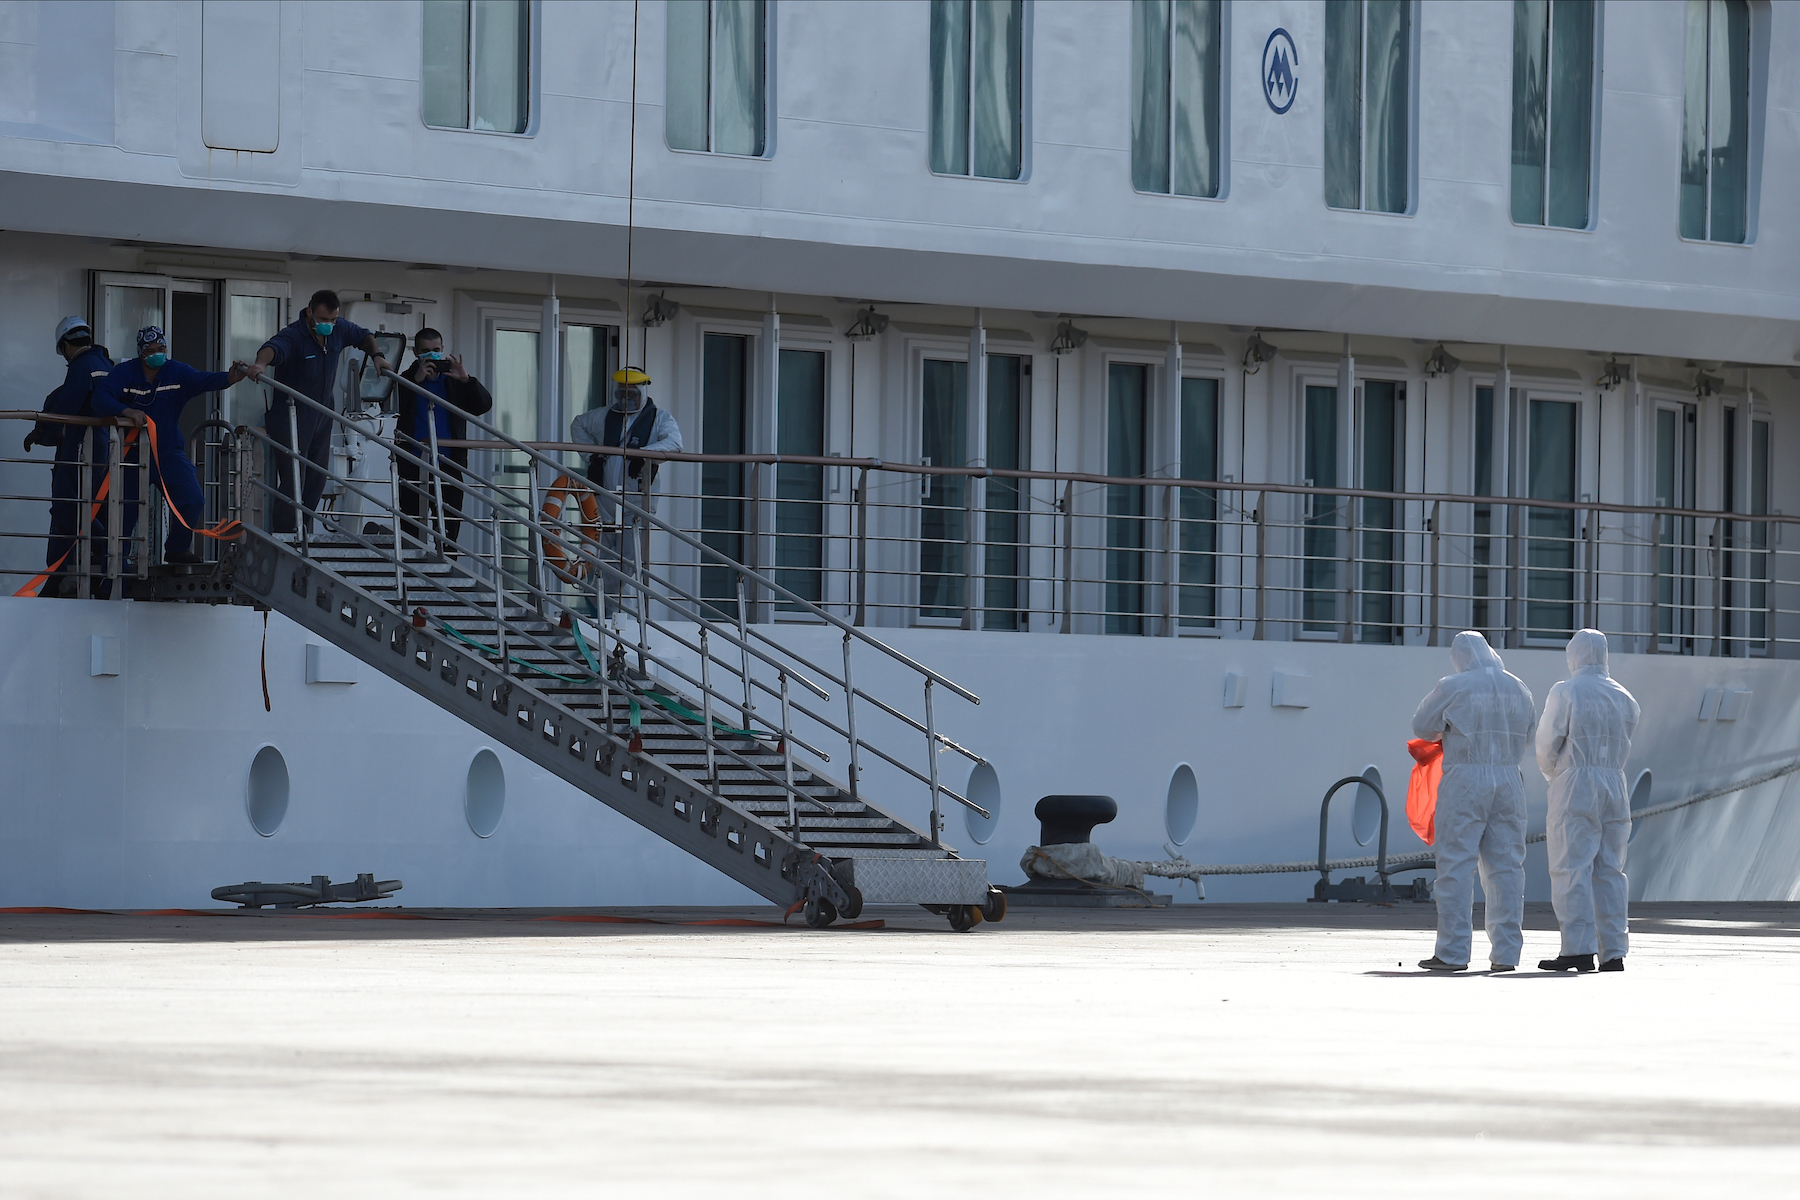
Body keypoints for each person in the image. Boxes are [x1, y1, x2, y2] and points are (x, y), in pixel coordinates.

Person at [1411, 631, 1537, 973]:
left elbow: (1422, 726)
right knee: (1507, 868)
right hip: (1509, 780)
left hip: (1465, 779)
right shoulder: (1519, 687)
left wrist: (1447, 731)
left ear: (1460, 657)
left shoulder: (1454, 685)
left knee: (1455, 866)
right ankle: (1506, 954)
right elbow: (1529, 736)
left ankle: (1452, 952)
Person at [91, 327, 250, 564]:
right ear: (141, 353)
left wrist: (229, 378)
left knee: (192, 499)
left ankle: (177, 549)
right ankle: (114, 568)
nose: (157, 354)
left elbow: (202, 380)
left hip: (168, 452)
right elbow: (100, 399)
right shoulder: (124, 373)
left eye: (161, 349)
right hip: (130, 455)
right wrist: (126, 411)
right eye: (151, 351)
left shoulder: (176, 371)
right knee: (123, 515)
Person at [1536, 629, 1640, 973]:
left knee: (1571, 867)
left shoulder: (1566, 691)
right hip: (1615, 783)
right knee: (1610, 870)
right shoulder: (1625, 697)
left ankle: (1577, 948)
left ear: (1574, 655)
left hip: (1576, 781)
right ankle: (1613, 952)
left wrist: (1556, 775)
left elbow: (1547, 744)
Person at [250, 290, 391, 535]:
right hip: (292, 415)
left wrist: (377, 356)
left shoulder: (338, 329)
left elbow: (364, 335)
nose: (328, 325)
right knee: (294, 478)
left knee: (316, 479)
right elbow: (272, 348)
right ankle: (286, 532)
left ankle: (304, 528)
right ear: (309, 312)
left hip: (322, 414)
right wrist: (260, 365)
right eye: (323, 320)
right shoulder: (294, 335)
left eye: (332, 320)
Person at [568, 367, 681, 608]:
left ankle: (600, 602)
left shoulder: (660, 419)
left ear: (642, 392)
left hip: (636, 500)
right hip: (604, 497)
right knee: (600, 552)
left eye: (632, 394)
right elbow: (578, 425)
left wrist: (644, 455)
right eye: (621, 393)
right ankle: (603, 607)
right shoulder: (604, 415)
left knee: (627, 558)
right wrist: (591, 456)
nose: (626, 398)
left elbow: (674, 443)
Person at [22, 317, 113, 595]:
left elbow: (65, 409)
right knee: (92, 505)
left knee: (67, 507)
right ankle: (90, 565)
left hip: (80, 446)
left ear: (65, 345)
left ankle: (66, 570)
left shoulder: (81, 366)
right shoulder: (105, 364)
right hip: (102, 446)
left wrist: (41, 433)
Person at [395, 328, 493, 549]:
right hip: (413, 464)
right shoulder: (406, 380)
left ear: (443, 349)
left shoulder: (453, 380)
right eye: (425, 351)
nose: (432, 355)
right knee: (411, 531)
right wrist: (415, 381)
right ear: (415, 353)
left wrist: (466, 380)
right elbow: (394, 405)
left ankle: (446, 568)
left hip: (449, 464)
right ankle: (411, 569)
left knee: (449, 532)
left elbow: (483, 405)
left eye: (436, 350)